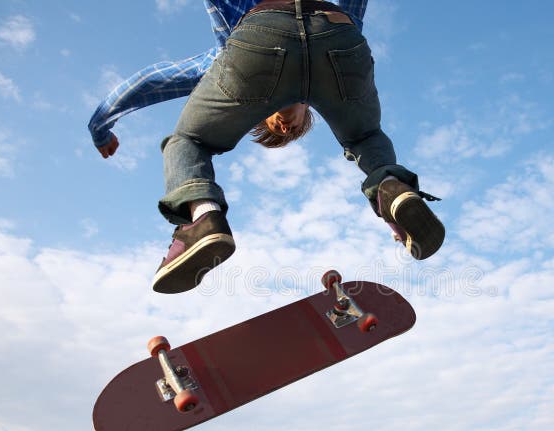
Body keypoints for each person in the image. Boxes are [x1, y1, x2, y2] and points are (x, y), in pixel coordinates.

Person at [88, 0, 445, 294]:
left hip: (261, 35)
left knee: (189, 141)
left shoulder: (227, 55)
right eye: (284, 124)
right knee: (364, 138)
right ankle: (392, 190)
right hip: (338, 33)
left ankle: (203, 220)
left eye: (280, 123)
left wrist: (100, 124)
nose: (286, 122)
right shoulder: (314, 59)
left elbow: (155, 80)